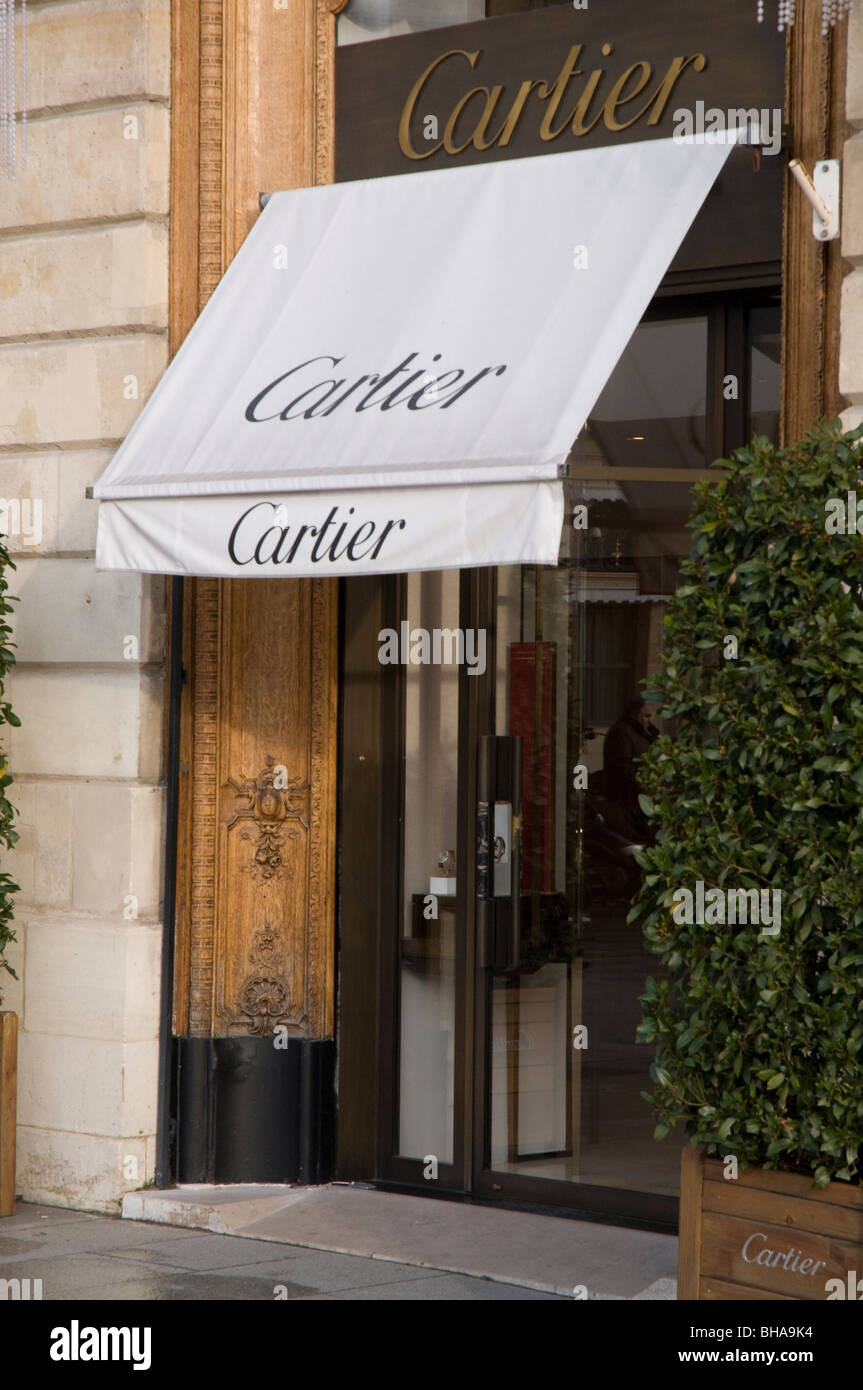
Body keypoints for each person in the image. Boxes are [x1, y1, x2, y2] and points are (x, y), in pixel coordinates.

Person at [601, 698, 660, 839]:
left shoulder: (647, 733)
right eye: (646, 716)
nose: (648, 721)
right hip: (629, 802)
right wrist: (645, 784)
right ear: (634, 715)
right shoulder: (621, 733)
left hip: (644, 799)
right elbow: (622, 767)